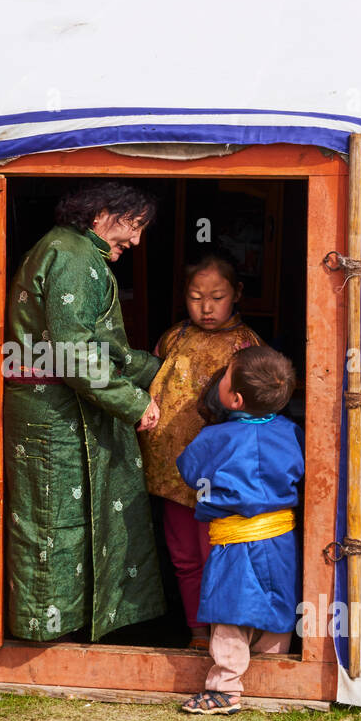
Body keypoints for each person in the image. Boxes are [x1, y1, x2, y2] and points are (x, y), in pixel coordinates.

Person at [3, 181, 166, 641]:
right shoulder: (73, 257)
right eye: (133, 226)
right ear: (101, 215)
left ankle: (65, 630)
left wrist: (157, 369)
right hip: (51, 413)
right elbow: (74, 353)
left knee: (65, 518)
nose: (135, 240)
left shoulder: (73, 251)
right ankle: (44, 641)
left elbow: (100, 347)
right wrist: (134, 402)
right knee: (54, 521)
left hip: (57, 408)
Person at [138, 253, 264, 650]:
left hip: (221, 474)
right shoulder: (173, 338)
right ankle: (195, 631)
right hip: (173, 471)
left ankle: (222, 633)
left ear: (237, 294)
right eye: (195, 297)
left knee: (218, 555)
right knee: (183, 556)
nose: (206, 308)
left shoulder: (247, 346)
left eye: (217, 297)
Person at [175, 346, 303, 714]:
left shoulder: (216, 439)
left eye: (226, 374)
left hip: (236, 542)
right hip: (281, 538)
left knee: (229, 611)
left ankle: (225, 687)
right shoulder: (291, 432)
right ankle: (273, 675)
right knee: (278, 603)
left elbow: (188, 470)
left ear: (235, 398)